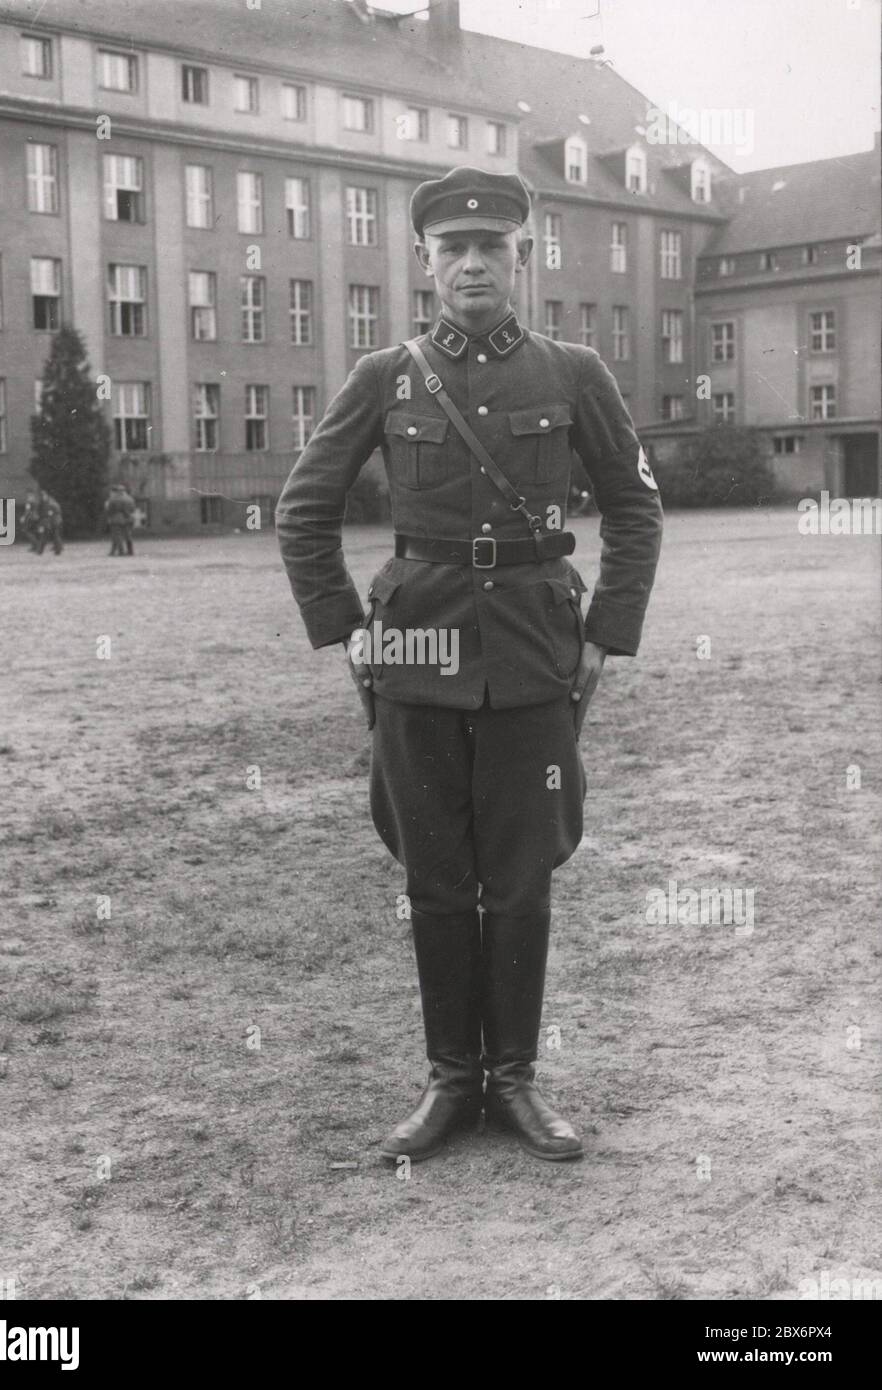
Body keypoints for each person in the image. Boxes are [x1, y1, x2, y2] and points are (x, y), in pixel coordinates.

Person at [276, 167, 663, 1164]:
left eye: (494, 247)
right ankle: (452, 1082)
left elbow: (634, 507)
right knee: (438, 879)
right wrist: (347, 630)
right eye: (454, 249)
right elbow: (303, 510)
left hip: (535, 656)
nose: (474, 264)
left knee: (523, 876)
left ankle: (516, 1082)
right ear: (425, 260)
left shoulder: (574, 371)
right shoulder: (386, 377)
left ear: (522, 257)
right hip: (413, 655)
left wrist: (604, 633)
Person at [105, 483, 136, 556]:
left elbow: (110, 510)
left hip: (116, 519)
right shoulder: (130, 499)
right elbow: (133, 509)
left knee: (117, 536)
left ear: (118, 491)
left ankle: (121, 551)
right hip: (128, 519)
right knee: (128, 535)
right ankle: (130, 551)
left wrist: (110, 516)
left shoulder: (113, 499)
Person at [34, 489, 63, 555]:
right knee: (54, 535)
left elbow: (49, 514)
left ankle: (40, 551)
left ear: (46, 495)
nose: (42, 497)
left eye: (43, 496)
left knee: (47, 536)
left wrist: (44, 523)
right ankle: (58, 549)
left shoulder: (49, 503)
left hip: (53, 521)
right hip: (54, 521)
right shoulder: (49, 501)